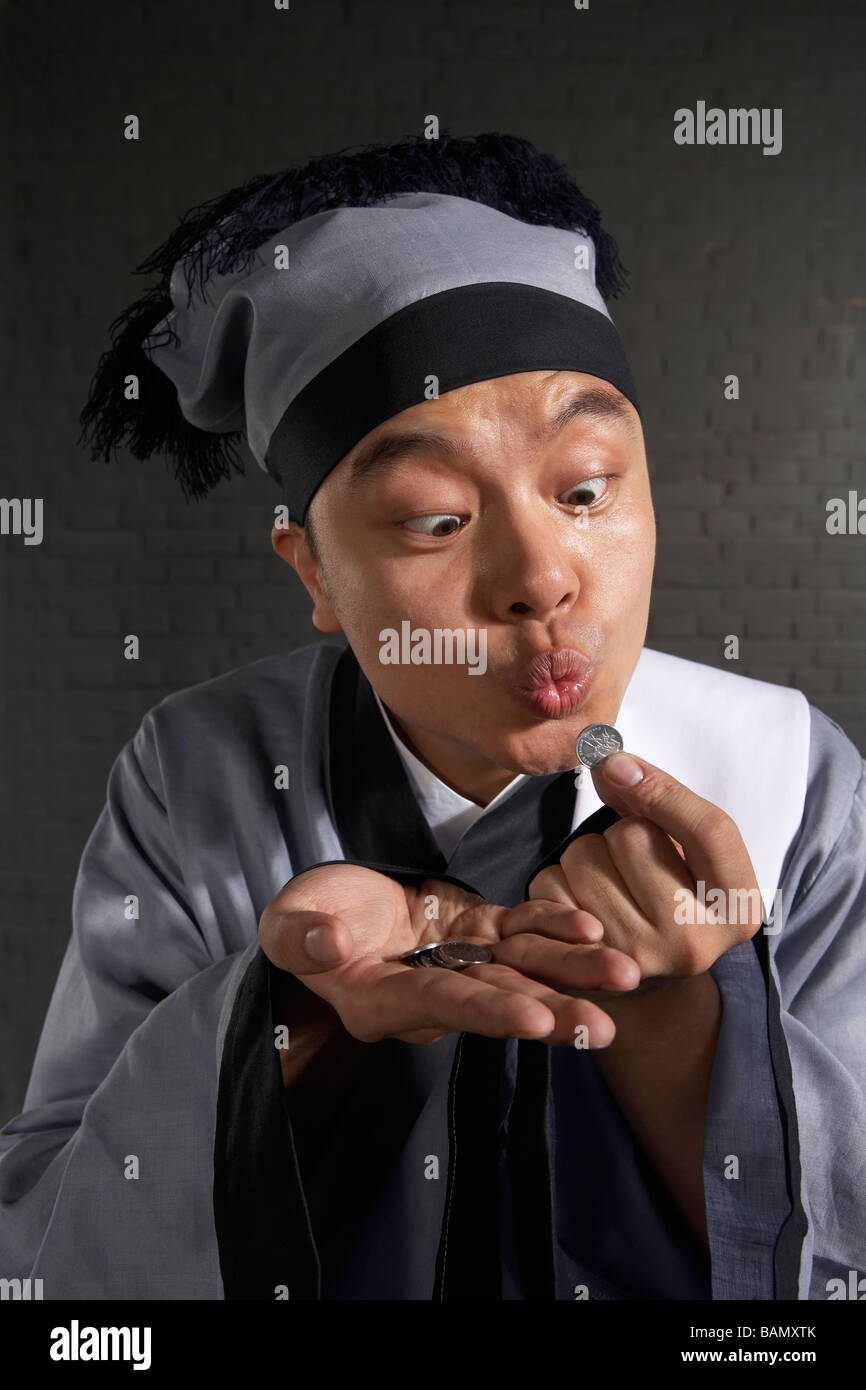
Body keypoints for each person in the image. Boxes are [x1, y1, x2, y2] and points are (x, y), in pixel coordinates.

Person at [0, 130, 863, 1302]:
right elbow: (48, 1253)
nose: (540, 577)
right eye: (432, 518)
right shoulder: (197, 772)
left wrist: (678, 1019)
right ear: (310, 570)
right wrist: (293, 1016)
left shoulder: (790, 775)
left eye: (584, 489)